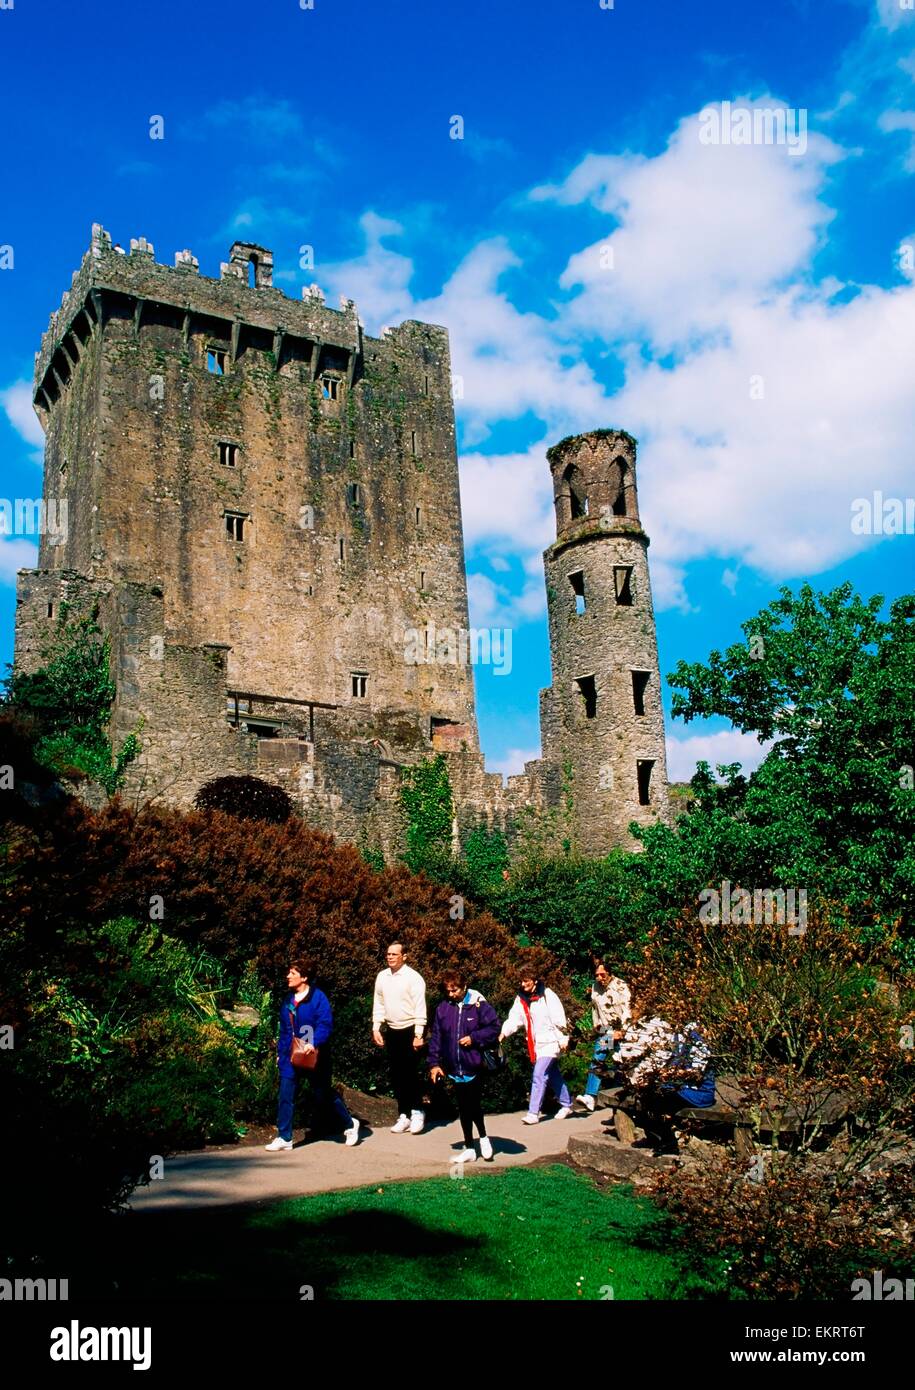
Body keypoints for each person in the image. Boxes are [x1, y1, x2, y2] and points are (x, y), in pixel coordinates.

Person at [265, 962, 360, 1151]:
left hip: (315, 1056)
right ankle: (285, 1137)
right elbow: (285, 1031)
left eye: (293, 973)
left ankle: (350, 1125)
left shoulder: (318, 998)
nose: (288, 976)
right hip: (290, 1057)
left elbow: (325, 1024)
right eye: (288, 973)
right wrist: (280, 1054)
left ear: (304, 977)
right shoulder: (287, 1000)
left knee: (323, 1093)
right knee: (285, 1094)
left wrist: (313, 1042)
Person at [615, 1008, 715, 1155]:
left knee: (656, 1098)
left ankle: (667, 1142)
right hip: (676, 1082)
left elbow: (695, 1071)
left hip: (696, 1090)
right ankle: (655, 1137)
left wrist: (666, 1074)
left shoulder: (694, 1033)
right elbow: (604, 1033)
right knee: (644, 1093)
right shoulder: (677, 1031)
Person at [428, 968, 501, 1165]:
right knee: (463, 1107)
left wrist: (474, 1038)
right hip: (454, 1067)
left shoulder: (477, 1004)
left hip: (474, 1064)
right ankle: (469, 1147)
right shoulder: (443, 1008)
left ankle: (484, 1138)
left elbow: (494, 1027)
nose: (451, 994)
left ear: (464, 987)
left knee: (473, 1105)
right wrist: (434, 1063)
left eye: (455, 990)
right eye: (448, 991)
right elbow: (436, 1037)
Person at [499, 971, 573, 1124]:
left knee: (539, 1074)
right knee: (552, 1074)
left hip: (551, 1042)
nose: (523, 984)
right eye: (521, 981)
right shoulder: (521, 999)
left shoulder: (547, 995)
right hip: (536, 1044)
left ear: (535, 980)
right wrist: (503, 1033)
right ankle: (567, 1104)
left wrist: (563, 1039)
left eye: (526, 980)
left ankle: (533, 1113)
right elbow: (514, 1019)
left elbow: (558, 1017)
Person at [372, 942, 428, 1134]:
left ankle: (417, 1112)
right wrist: (376, 1027)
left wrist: (419, 1034)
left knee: (410, 1074)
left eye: (394, 954)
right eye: (388, 954)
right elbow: (378, 1003)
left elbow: (420, 1007)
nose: (390, 957)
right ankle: (403, 1114)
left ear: (405, 956)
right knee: (396, 1075)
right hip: (392, 1031)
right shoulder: (382, 977)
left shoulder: (414, 978)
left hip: (411, 1030)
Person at [575, 959, 631, 1112]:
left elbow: (627, 1010)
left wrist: (623, 1030)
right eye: (597, 975)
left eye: (602, 974)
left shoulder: (621, 986)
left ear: (610, 973)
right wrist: (596, 1024)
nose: (599, 978)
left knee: (622, 1064)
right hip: (607, 1031)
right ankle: (590, 1096)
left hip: (621, 1030)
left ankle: (622, 1096)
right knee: (598, 1058)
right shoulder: (595, 987)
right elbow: (595, 1008)